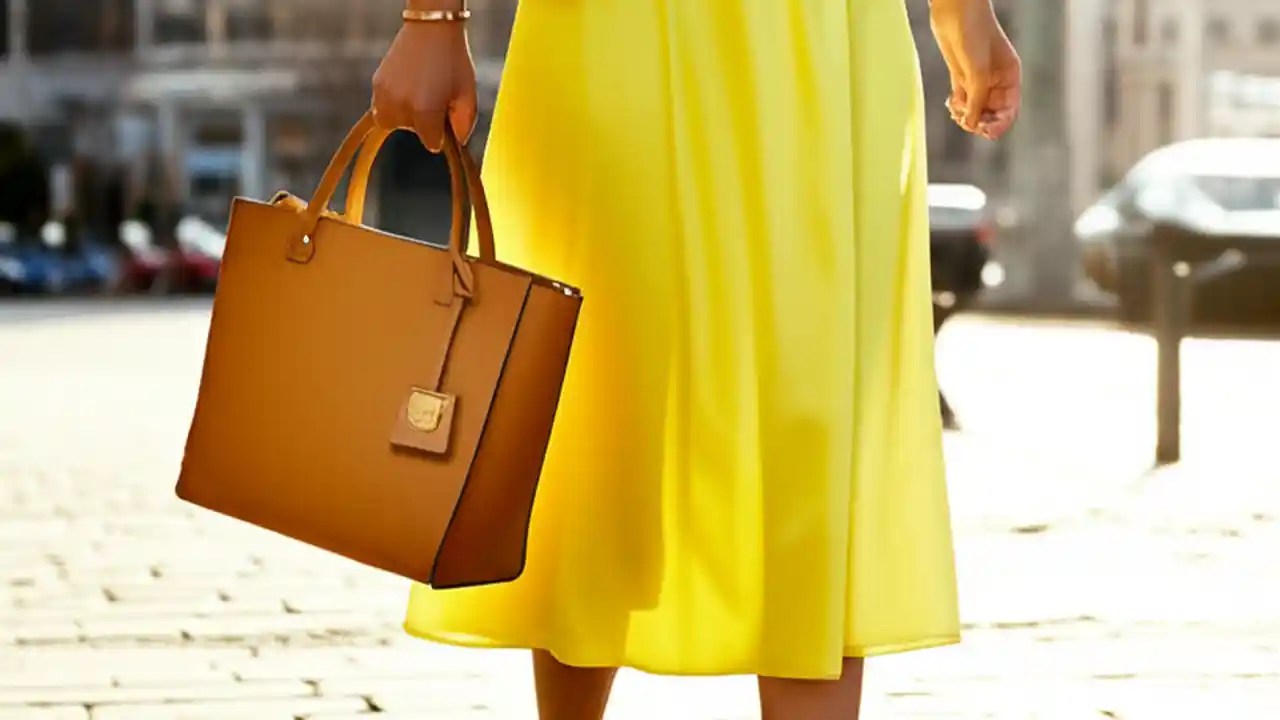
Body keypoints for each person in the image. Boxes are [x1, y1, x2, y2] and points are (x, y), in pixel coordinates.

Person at [372, 0, 1020, 717]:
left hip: (821, 35)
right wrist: (433, 17)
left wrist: (963, 11)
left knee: (812, 418)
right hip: (612, 30)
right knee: (596, 391)